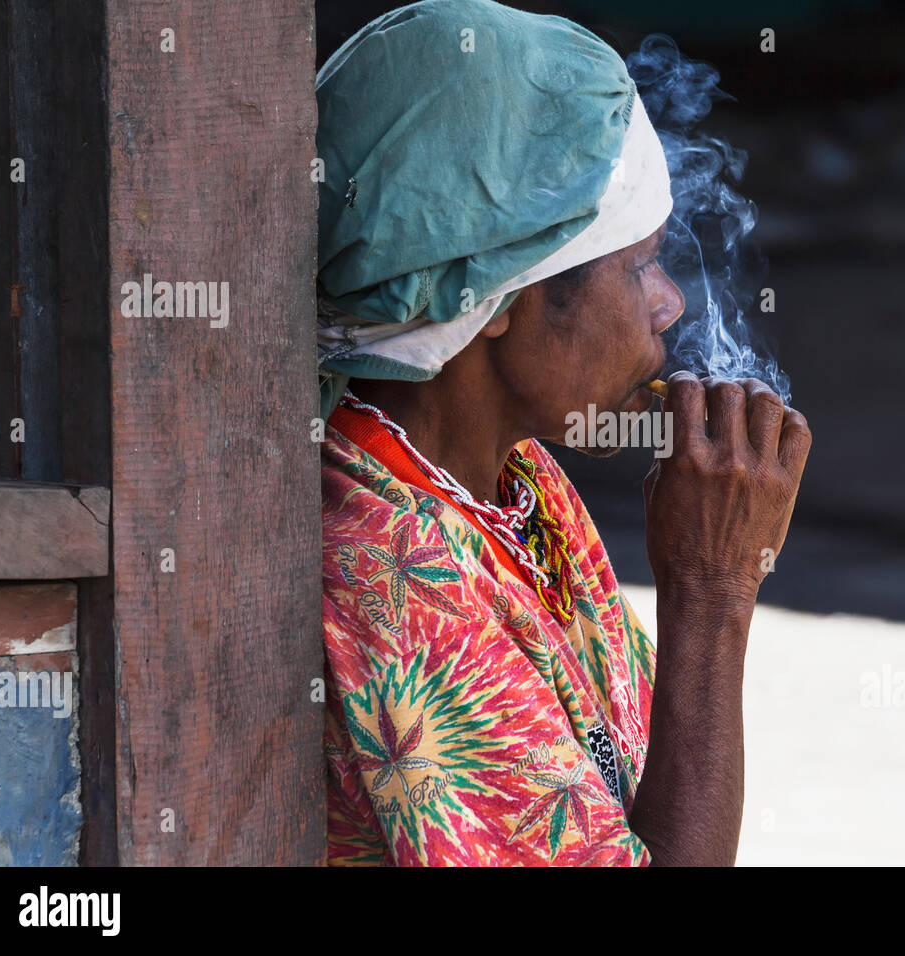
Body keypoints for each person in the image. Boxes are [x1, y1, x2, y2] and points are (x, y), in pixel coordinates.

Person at [317, 0, 810, 866]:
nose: (671, 303)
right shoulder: (389, 576)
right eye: (637, 265)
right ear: (499, 300)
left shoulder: (511, 480)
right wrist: (713, 591)